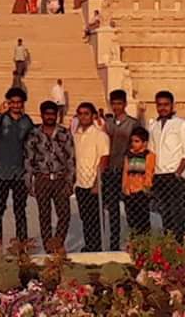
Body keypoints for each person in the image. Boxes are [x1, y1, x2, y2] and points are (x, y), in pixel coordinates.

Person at [0, 87, 34, 245]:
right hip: (3, 172)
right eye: (12, 102)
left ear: (23, 104)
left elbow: (32, 143)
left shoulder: (27, 122)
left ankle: (22, 242)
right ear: (8, 103)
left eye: (18, 103)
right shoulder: (1, 120)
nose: (15, 105)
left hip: (19, 172)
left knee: (20, 209)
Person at [25, 101, 74, 253]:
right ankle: (48, 247)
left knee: (64, 215)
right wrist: (29, 182)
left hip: (60, 179)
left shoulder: (64, 133)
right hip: (42, 179)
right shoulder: (34, 134)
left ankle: (57, 244)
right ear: (42, 115)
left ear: (57, 115)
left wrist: (70, 181)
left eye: (53, 114)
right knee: (44, 216)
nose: (50, 117)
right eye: (47, 114)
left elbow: (71, 158)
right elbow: (28, 159)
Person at [147, 90, 185, 242]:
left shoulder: (182, 125)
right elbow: (151, 151)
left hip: (174, 173)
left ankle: (179, 244)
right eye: (159, 105)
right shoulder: (153, 126)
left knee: (176, 211)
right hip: (159, 175)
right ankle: (168, 242)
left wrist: (178, 173)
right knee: (164, 211)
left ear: (172, 105)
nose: (162, 108)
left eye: (166, 105)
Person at [103, 89, 140, 251]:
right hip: (111, 172)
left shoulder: (133, 123)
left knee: (131, 209)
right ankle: (114, 244)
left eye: (119, 103)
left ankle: (134, 243)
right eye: (114, 104)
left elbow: (137, 149)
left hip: (126, 172)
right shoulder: (108, 123)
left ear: (124, 104)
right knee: (113, 211)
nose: (116, 107)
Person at [72, 102, 109, 252]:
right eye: (80, 113)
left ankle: (97, 246)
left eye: (86, 113)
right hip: (81, 183)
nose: (83, 117)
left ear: (93, 115)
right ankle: (89, 245)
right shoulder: (76, 135)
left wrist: (97, 183)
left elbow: (104, 159)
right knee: (85, 217)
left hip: (94, 182)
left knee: (95, 218)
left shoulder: (100, 135)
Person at [121, 126, 156, 236]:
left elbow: (149, 172)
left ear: (144, 143)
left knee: (143, 220)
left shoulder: (149, 155)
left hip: (141, 192)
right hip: (130, 191)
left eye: (137, 141)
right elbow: (125, 171)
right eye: (132, 141)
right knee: (131, 219)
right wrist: (124, 187)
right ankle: (134, 242)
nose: (133, 144)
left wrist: (146, 188)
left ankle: (144, 244)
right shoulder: (129, 154)